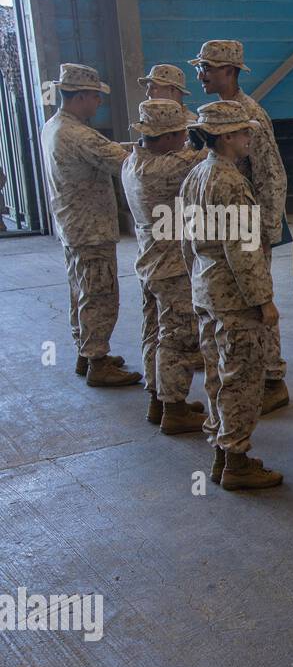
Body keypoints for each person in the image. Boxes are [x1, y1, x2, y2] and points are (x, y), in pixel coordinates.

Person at [179, 100, 283, 490]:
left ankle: (222, 450)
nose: (248, 137)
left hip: (207, 290)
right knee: (241, 378)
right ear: (224, 137)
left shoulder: (196, 176)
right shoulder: (231, 182)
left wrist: (196, 282)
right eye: (242, 132)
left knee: (217, 375)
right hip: (236, 298)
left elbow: (187, 241)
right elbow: (243, 251)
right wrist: (264, 301)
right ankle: (237, 461)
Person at [191, 40, 290, 413]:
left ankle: (271, 378)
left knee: (258, 300)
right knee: (234, 306)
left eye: (208, 68)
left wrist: (265, 232)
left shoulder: (251, 116)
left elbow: (271, 175)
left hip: (247, 226)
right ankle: (244, 375)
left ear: (230, 71)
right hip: (222, 228)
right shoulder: (213, 112)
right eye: (201, 67)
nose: (200, 74)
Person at [38, 63, 139, 387]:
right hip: (91, 228)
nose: (99, 104)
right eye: (96, 97)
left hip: (72, 226)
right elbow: (124, 162)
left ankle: (86, 352)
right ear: (81, 96)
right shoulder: (78, 134)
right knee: (99, 293)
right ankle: (98, 362)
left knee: (80, 290)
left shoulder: (54, 126)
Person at [120, 99, 208, 433]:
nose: (186, 139)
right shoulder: (161, 170)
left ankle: (159, 399)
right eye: (181, 133)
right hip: (171, 267)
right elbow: (204, 158)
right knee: (179, 338)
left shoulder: (132, 162)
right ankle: (175, 409)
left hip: (150, 261)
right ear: (167, 137)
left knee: (154, 333)